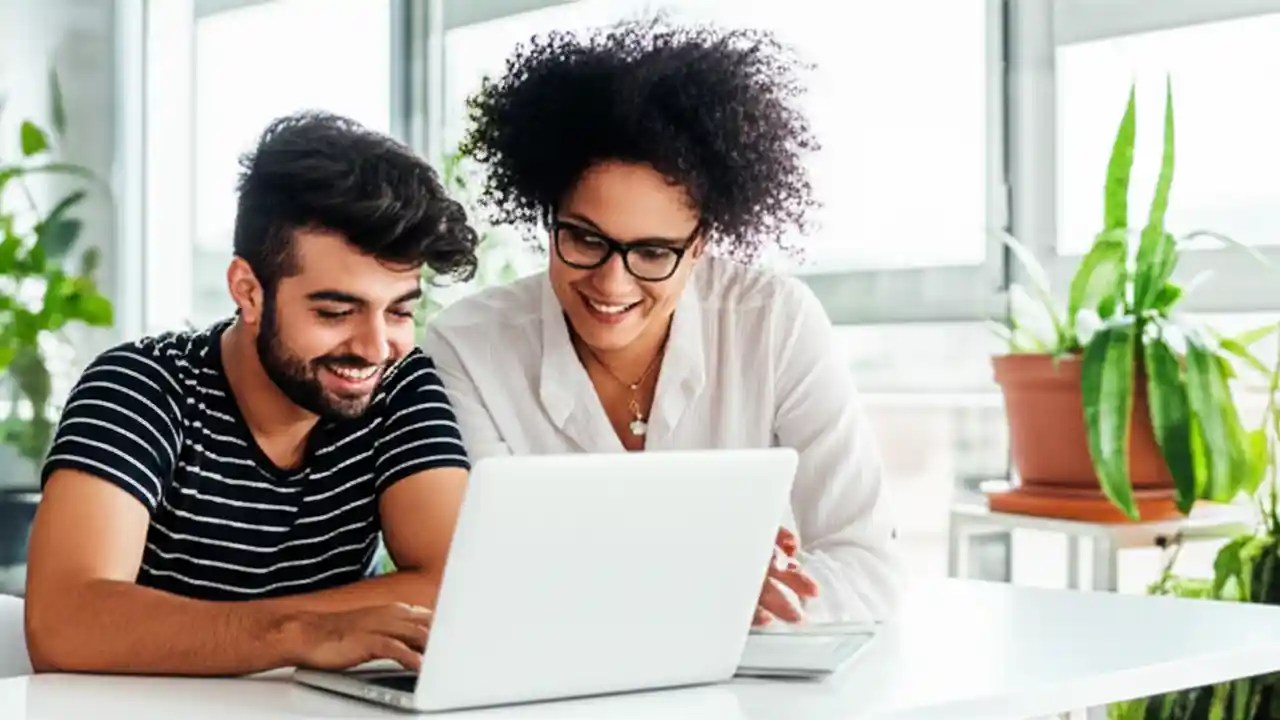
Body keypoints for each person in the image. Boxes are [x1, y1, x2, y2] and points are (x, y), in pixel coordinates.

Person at [424, 19, 900, 625]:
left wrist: (757, 600)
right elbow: (484, 573)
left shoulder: (774, 324)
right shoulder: (468, 348)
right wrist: (706, 583)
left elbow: (868, 562)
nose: (612, 283)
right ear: (549, 221)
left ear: (700, 246)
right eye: (585, 239)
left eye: (652, 253)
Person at [25, 112, 478, 675]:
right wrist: (301, 633)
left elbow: (458, 586)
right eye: (335, 312)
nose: (374, 346)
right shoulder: (141, 387)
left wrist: (215, 632)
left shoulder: (399, 385)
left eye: (401, 311)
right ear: (248, 290)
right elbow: (67, 621)